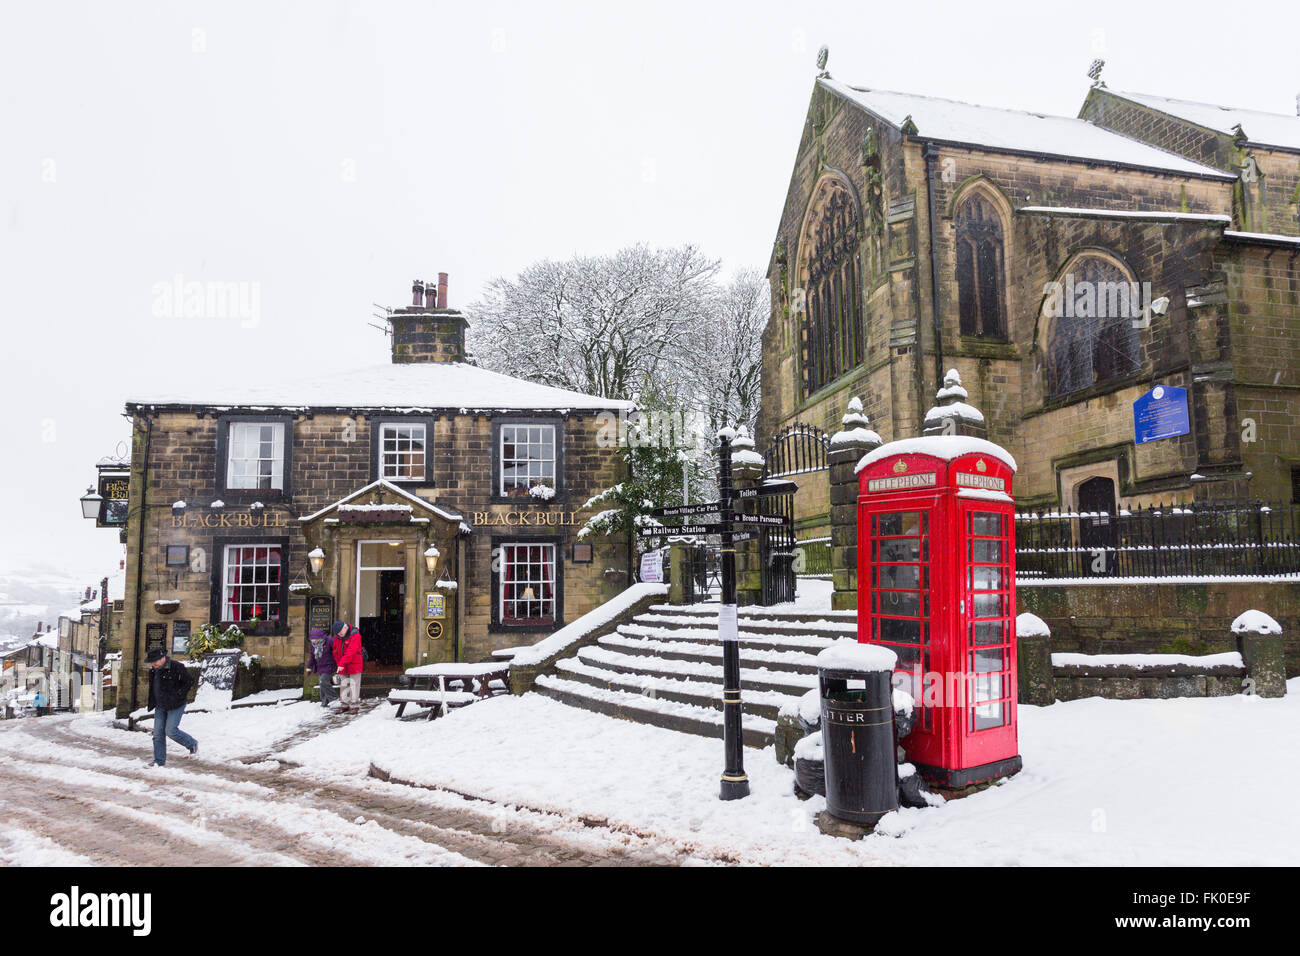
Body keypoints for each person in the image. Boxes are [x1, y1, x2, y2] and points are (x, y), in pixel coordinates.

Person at [145, 648, 197, 767]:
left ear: (163, 658)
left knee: (171, 731)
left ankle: (192, 743)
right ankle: (159, 761)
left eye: (155, 661)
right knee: (157, 734)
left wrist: (179, 695)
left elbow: (189, 681)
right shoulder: (153, 670)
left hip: (176, 704)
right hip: (160, 705)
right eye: (151, 661)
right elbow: (153, 687)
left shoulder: (177, 667)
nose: (153, 664)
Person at [331, 620, 363, 715]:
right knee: (344, 684)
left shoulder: (355, 635)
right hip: (342, 663)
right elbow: (335, 650)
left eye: (341, 633)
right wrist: (339, 663)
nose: (340, 635)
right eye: (338, 634)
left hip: (354, 663)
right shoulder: (338, 636)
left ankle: (354, 705)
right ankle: (344, 704)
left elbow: (351, 651)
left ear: (345, 628)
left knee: (354, 684)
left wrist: (341, 663)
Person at [305, 627, 338, 709]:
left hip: (330, 665)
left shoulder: (329, 641)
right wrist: (309, 667)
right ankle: (324, 702)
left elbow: (337, 650)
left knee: (323, 681)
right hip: (320, 667)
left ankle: (334, 698)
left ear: (321, 637)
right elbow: (312, 657)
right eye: (313, 639)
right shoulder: (313, 645)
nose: (315, 641)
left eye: (317, 639)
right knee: (321, 683)